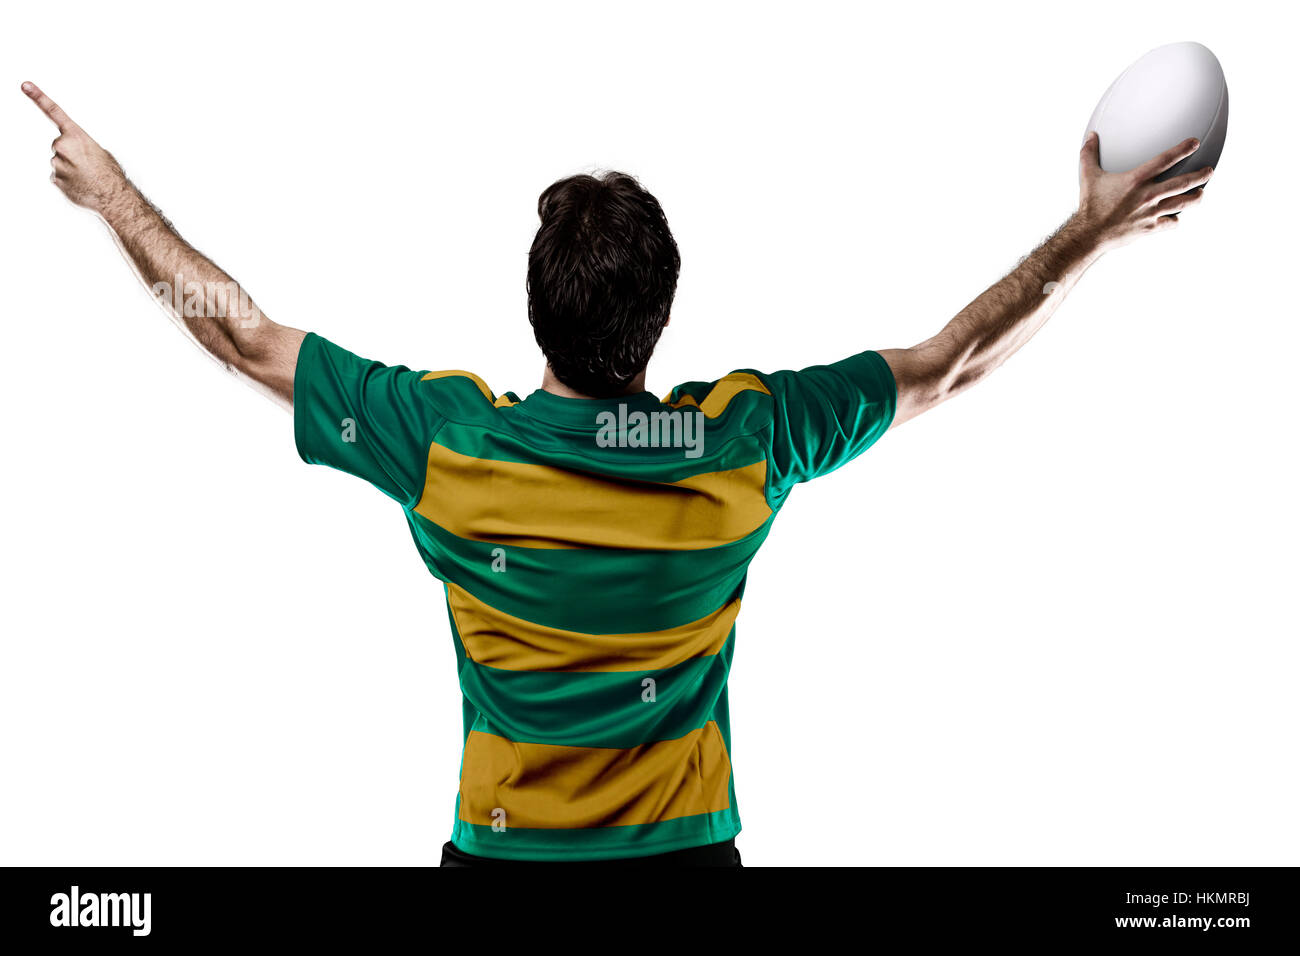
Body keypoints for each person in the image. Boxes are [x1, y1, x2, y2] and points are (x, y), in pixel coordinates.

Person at [21, 80, 1212, 867]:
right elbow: (946, 367)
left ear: (535, 311)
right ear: (660, 318)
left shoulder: (447, 441)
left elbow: (237, 336)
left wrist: (111, 192)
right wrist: (1089, 231)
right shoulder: (741, 442)